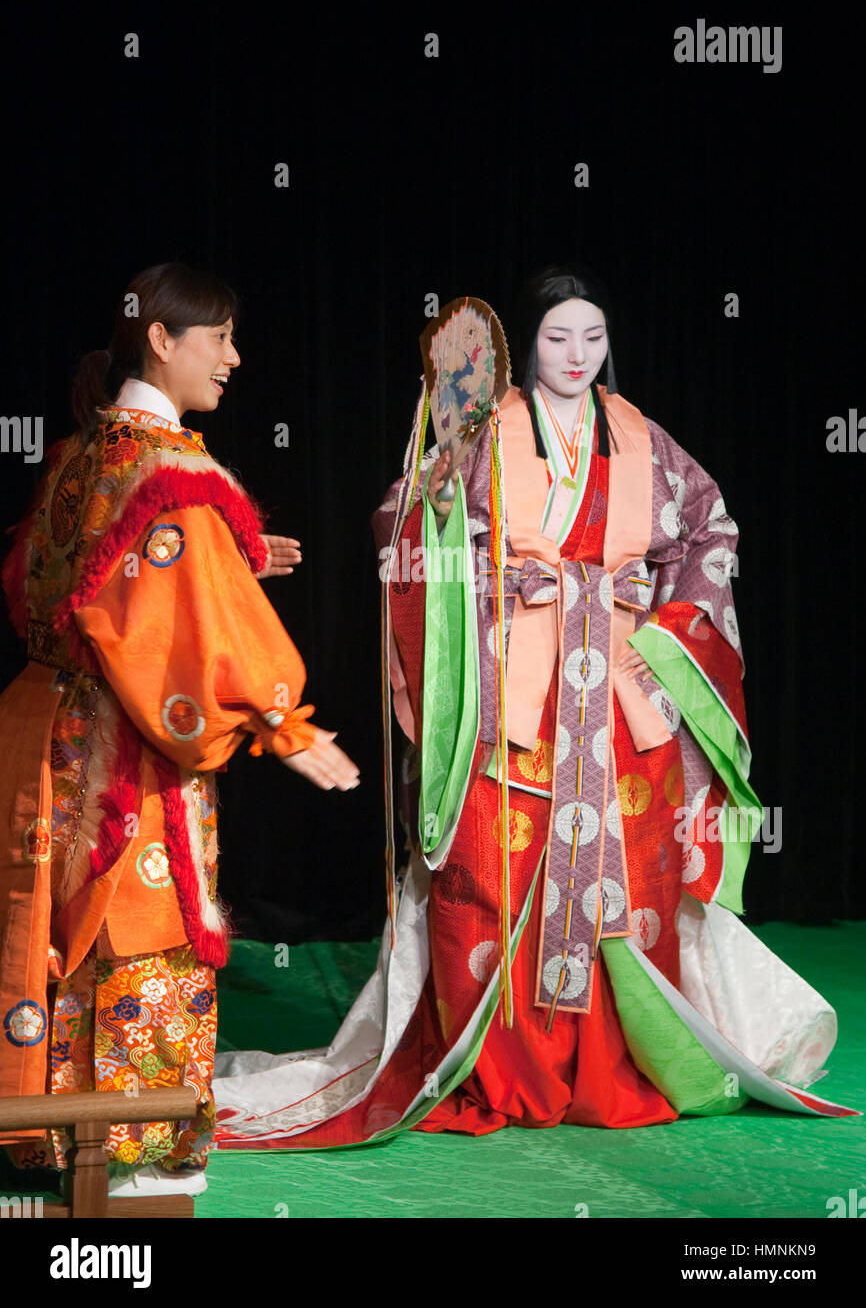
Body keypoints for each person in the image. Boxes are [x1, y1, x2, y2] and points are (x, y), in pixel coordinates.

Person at [210, 264, 857, 1151]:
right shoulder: (484, 431)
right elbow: (405, 519)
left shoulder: (639, 437)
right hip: (512, 690)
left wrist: (666, 625)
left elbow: (711, 530)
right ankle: (495, 1060)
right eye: (558, 337)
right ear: (526, 344)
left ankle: (619, 1054)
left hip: (621, 686)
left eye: (594, 337)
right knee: (489, 870)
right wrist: (482, 581)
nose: (578, 355)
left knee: (629, 882)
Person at [0, 262, 359, 1196]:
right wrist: (281, 720)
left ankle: (47, 1130)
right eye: (220, 338)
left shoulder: (81, 455)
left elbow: (80, 590)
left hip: (46, 739)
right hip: (129, 753)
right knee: (144, 927)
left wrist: (224, 563)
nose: (234, 358)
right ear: (161, 339)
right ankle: (134, 1155)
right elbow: (170, 636)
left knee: (53, 931)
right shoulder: (172, 470)